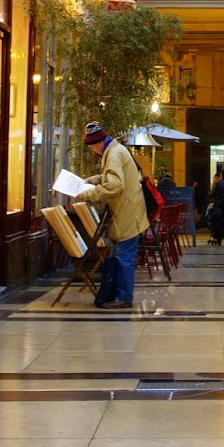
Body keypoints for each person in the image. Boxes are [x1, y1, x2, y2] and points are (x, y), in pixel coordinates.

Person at [77, 120, 150, 309]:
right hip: (128, 212)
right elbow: (112, 177)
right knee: (122, 255)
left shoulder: (114, 154)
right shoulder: (115, 151)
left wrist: (87, 194)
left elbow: (115, 185)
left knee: (124, 257)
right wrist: (93, 180)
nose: (93, 151)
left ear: (97, 143)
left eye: (92, 146)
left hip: (128, 214)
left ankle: (124, 297)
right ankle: (121, 295)